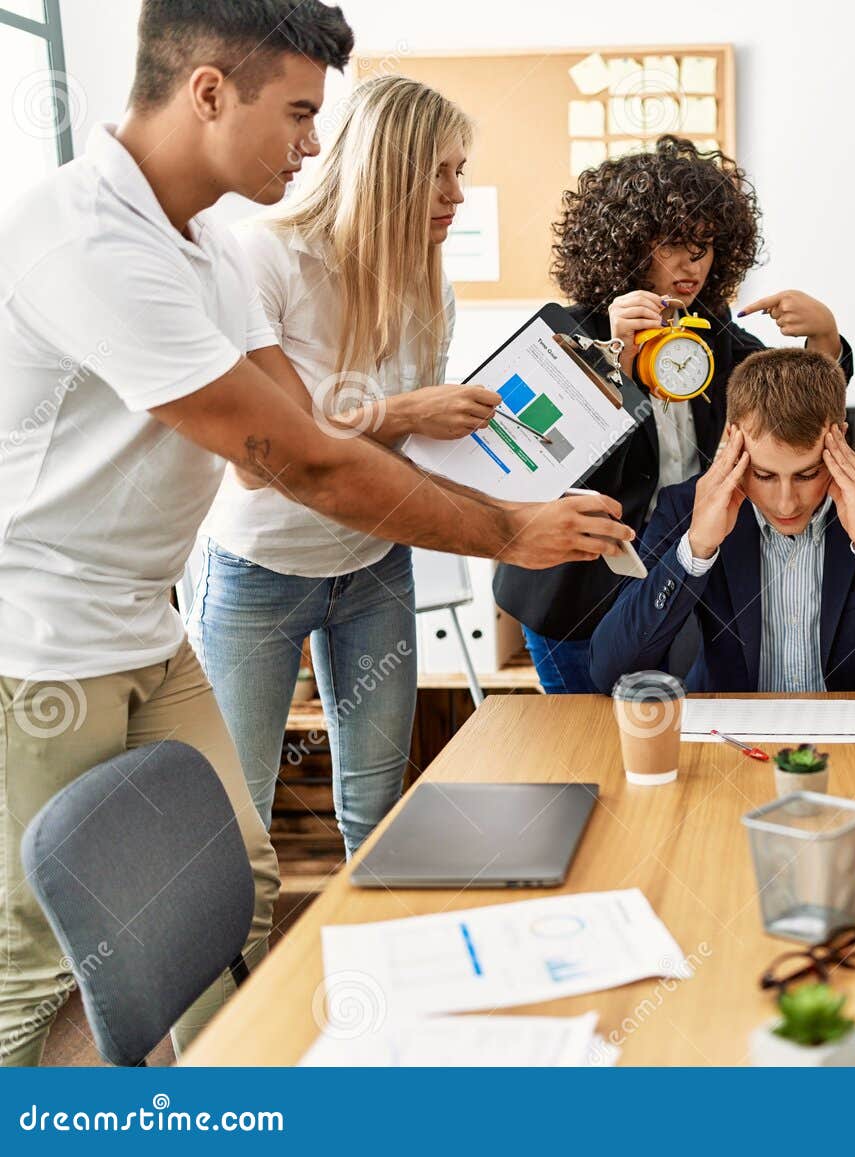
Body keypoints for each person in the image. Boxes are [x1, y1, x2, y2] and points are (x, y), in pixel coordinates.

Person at [0, 0, 628, 1065]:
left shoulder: (200, 244)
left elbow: (303, 421)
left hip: (146, 625)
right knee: (43, 957)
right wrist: (509, 530)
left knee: (228, 888)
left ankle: (211, 1088)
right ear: (208, 91)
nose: (310, 143)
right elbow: (297, 459)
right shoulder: (92, 239)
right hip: (38, 645)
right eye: (296, 113)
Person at [189, 75, 490, 857]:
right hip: (260, 570)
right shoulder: (265, 258)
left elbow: (404, 455)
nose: (458, 194)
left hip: (377, 565)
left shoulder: (432, 289)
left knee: (379, 812)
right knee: (238, 815)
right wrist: (406, 413)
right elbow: (260, 461)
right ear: (385, 165)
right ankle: (240, 981)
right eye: (441, 170)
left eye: (462, 171)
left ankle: (377, 969)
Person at [493, 136, 854, 692]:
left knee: (673, 755)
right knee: (591, 754)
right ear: (629, 245)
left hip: (675, 591)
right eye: (673, 246)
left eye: (706, 247)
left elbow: (796, 406)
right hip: (574, 601)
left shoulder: (714, 334)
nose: (693, 263)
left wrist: (825, 340)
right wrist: (615, 363)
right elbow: (542, 471)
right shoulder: (570, 337)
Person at [590, 349, 855, 694]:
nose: (785, 503)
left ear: (841, 439)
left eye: (807, 474)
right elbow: (610, 671)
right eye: (764, 475)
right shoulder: (686, 507)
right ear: (734, 441)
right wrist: (696, 550)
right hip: (730, 743)